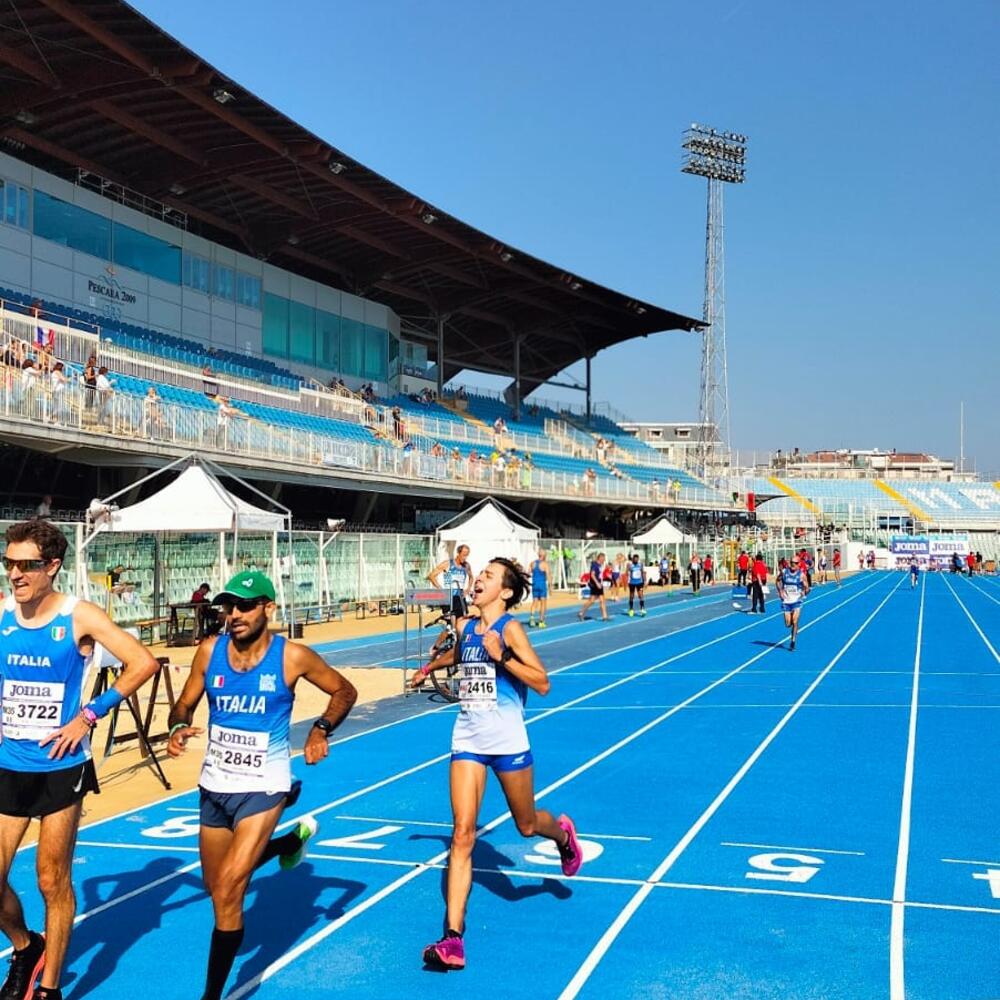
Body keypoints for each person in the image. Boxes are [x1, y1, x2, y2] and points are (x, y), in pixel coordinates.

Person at [167, 571, 357, 1000]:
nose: (234, 614)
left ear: (269, 609)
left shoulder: (292, 657)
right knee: (216, 888)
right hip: (215, 785)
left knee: (232, 887)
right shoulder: (208, 651)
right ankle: (286, 846)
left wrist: (320, 730)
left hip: (265, 783)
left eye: (245, 606)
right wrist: (177, 726)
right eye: (228, 606)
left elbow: (344, 690)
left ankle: (211, 996)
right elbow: (183, 703)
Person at [0, 519, 160, 1000]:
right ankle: (26, 946)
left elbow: (143, 662)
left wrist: (87, 716)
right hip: (10, 762)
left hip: (59, 767)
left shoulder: (79, 616)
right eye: (8, 563)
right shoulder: (3, 612)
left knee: (52, 879)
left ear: (52, 566)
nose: (14, 574)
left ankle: (49, 989)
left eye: (26, 565)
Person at [410, 558, 582, 971]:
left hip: (507, 741)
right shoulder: (468, 626)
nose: (478, 579)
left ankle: (561, 836)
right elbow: (458, 652)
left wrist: (502, 656)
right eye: (479, 574)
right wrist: (430, 666)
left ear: (504, 592)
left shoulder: (510, 629)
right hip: (468, 738)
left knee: (525, 824)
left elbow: (542, 683)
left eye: (488, 576)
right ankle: (452, 939)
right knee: (462, 834)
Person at [428, 544, 473, 617]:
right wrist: (440, 588)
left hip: (460, 597)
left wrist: (468, 589)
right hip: (448, 596)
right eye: (464, 555)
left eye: (467, 555)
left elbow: (471, 577)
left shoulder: (466, 566)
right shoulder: (447, 563)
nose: (465, 558)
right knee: (451, 621)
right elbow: (431, 576)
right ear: (458, 553)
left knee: (462, 621)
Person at [776, 553, 809, 651]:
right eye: (791, 562)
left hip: (797, 601)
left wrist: (804, 591)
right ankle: (792, 627)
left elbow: (807, 588)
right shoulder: (784, 572)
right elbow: (777, 581)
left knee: (795, 621)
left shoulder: (802, 575)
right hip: (786, 601)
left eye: (795, 563)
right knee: (787, 624)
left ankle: (793, 641)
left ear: (799, 564)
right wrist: (780, 591)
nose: (793, 564)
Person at [578, 552, 609, 622]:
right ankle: (581, 612)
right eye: (603, 559)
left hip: (599, 585)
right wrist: (597, 583)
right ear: (600, 558)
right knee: (592, 601)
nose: (604, 561)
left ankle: (605, 616)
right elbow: (592, 575)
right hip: (595, 585)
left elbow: (599, 575)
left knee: (602, 600)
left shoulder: (599, 565)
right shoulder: (595, 565)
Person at [528, 548, 549, 628]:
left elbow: (528, 573)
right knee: (543, 603)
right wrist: (550, 586)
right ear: (544, 556)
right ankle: (541, 621)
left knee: (534, 602)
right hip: (542, 585)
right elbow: (548, 576)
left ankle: (532, 618)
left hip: (534, 584)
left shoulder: (532, 563)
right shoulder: (545, 564)